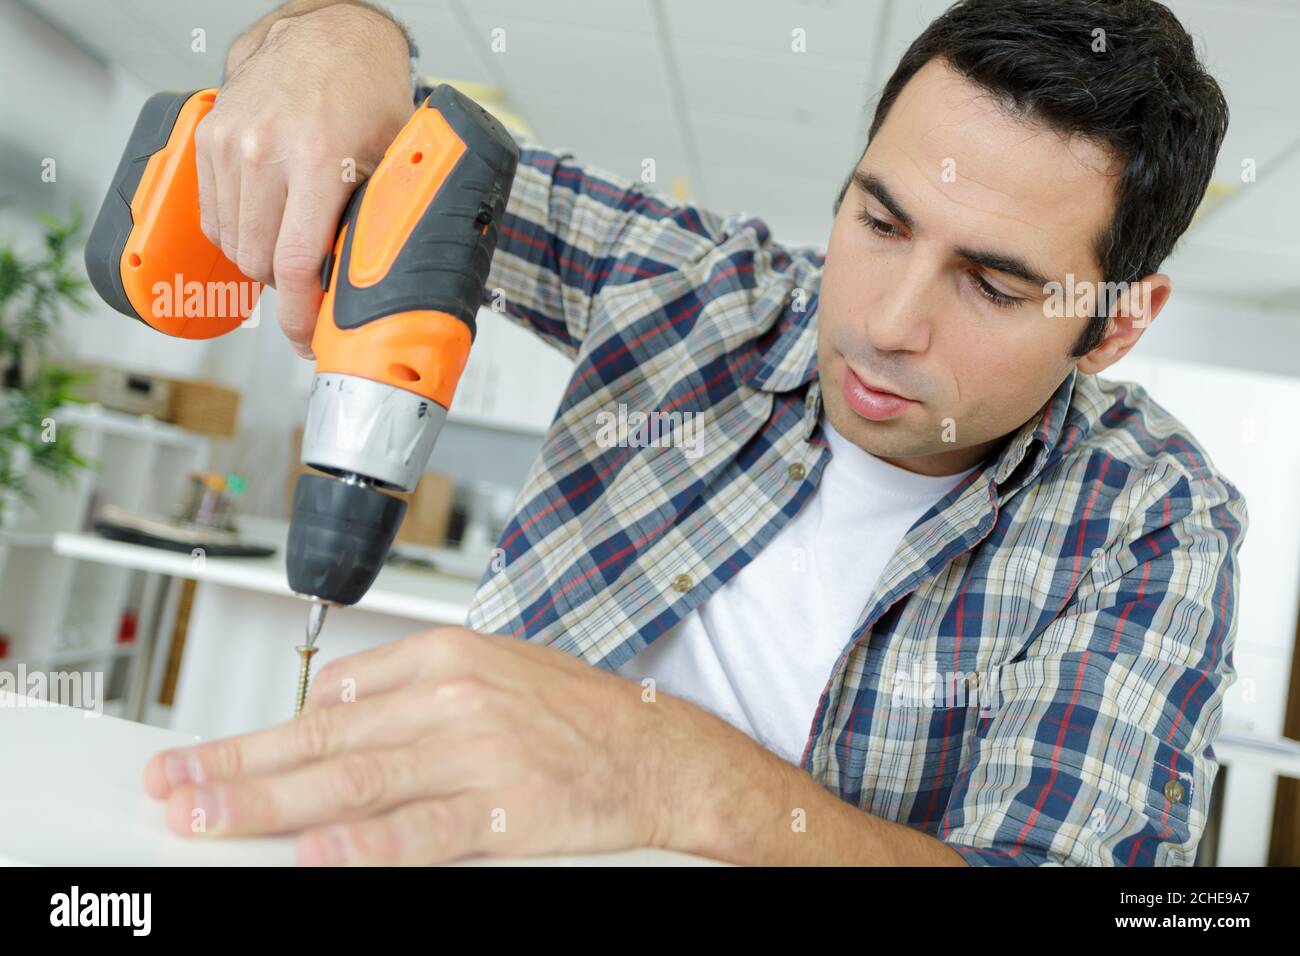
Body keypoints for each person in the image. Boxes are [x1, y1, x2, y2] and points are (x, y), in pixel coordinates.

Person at [145, 0, 1247, 866]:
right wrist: (332, 37)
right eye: (878, 221)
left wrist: (676, 773)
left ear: (1111, 325)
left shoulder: (1150, 522)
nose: (882, 322)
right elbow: (409, 144)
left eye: (995, 285)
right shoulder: (696, 292)